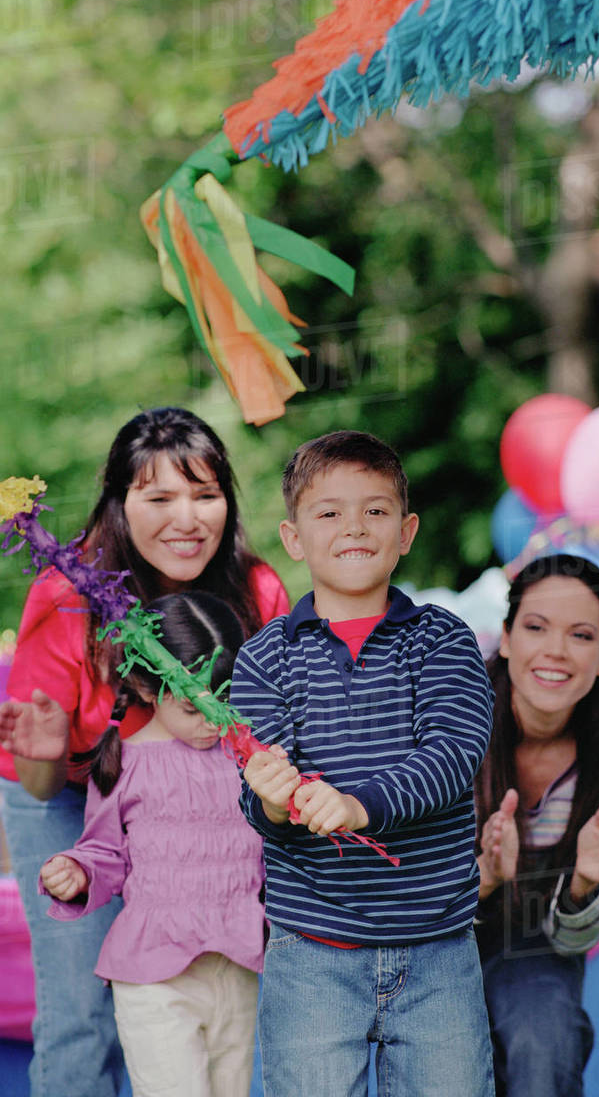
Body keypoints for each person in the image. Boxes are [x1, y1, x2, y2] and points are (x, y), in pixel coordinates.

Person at [0, 407, 289, 1097]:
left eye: (205, 494)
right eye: (158, 498)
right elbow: (40, 782)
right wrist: (43, 755)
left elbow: (270, 738)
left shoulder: (255, 591)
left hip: (205, 807)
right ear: (120, 506)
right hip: (69, 791)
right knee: (81, 1008)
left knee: (227, 992)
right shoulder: (67, 598)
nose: (186, 518)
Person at [229, 429, 496, 1097]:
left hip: (440, 952)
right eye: (328, 512)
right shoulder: (264, 659)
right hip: (311, 953)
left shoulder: (442, 639)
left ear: (405, 532)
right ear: (294, 538)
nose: (353, 526)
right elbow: (260, 806)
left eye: (374, 510)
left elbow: (452, 757)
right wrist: (270, 797)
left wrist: (356, 805)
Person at [37, 591, 265, 1097]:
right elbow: (104, 852)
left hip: (239, 967)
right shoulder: (127, 763)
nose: (212, 719)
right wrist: (78, 870)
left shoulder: (250, 760)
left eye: (224, 699)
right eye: (193, 706)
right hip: (154, 978)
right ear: (145, 685)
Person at [474, 552, 599, 1097]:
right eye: (536, 627)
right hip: (433, 937)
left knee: (545, 1038)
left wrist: (585, 885)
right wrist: (485, 877)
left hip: (534, 943)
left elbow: (572, 941)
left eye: (581, 635)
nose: (555, 651)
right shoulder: (455, 723)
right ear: (505, 637)